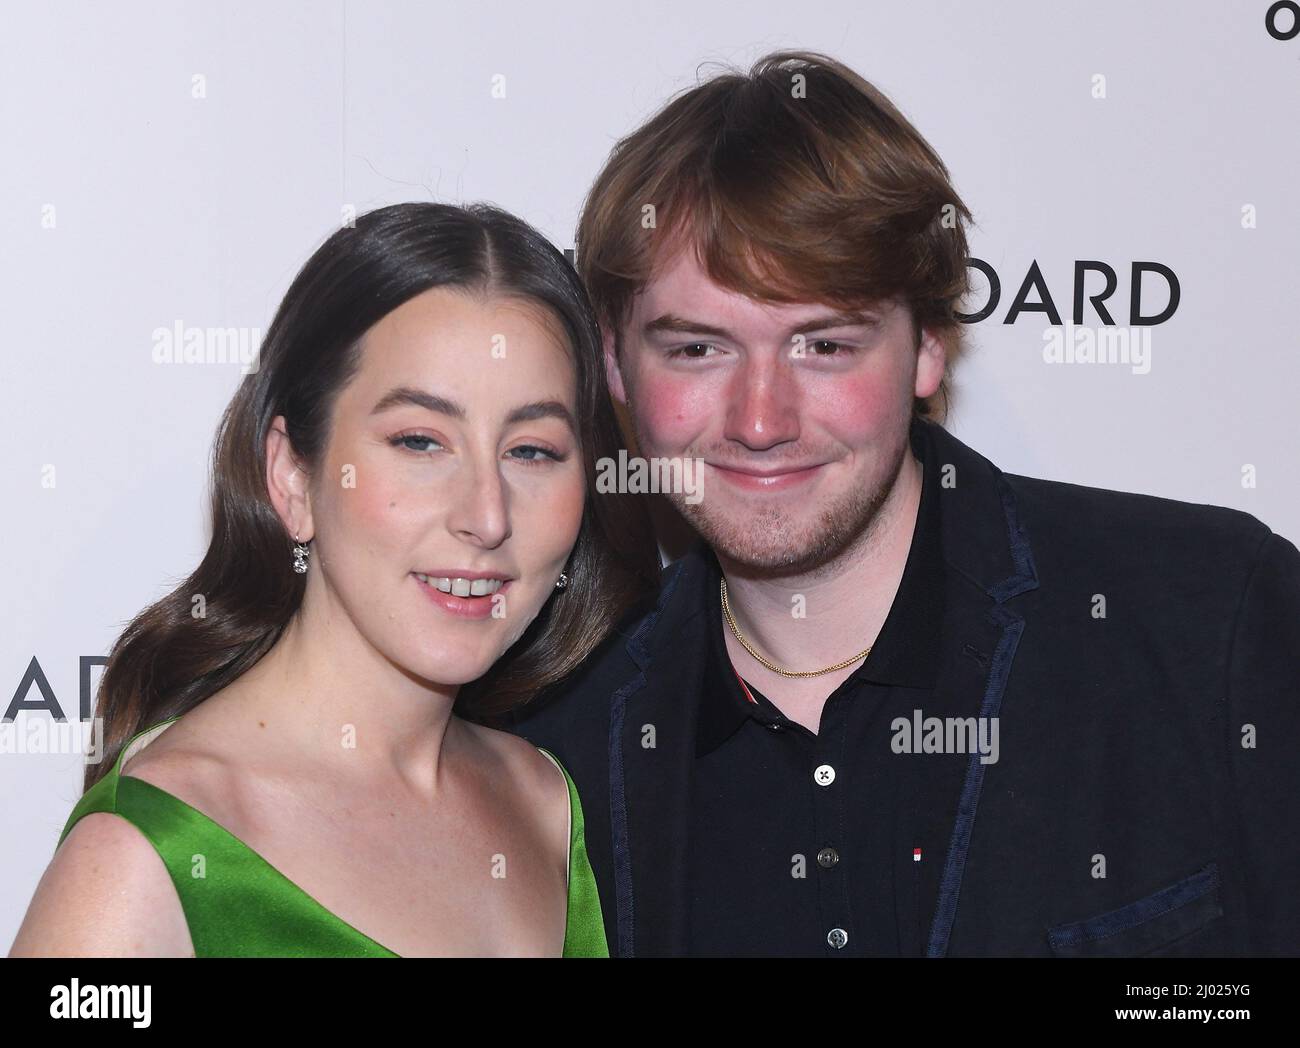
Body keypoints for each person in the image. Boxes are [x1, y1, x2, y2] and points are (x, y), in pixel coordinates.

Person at [506, 50, 1300, 956]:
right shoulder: (562, 756)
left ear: (928, 347)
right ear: (615, 366)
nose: (761, 420)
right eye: (698, 350)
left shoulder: (1208, 621)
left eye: (825, 346)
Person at [10, 202, 658, 957]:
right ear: (291, 473)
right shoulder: (138, 862)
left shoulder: (547, 801)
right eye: (420, 441)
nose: (487, 516)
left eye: (533, 451)